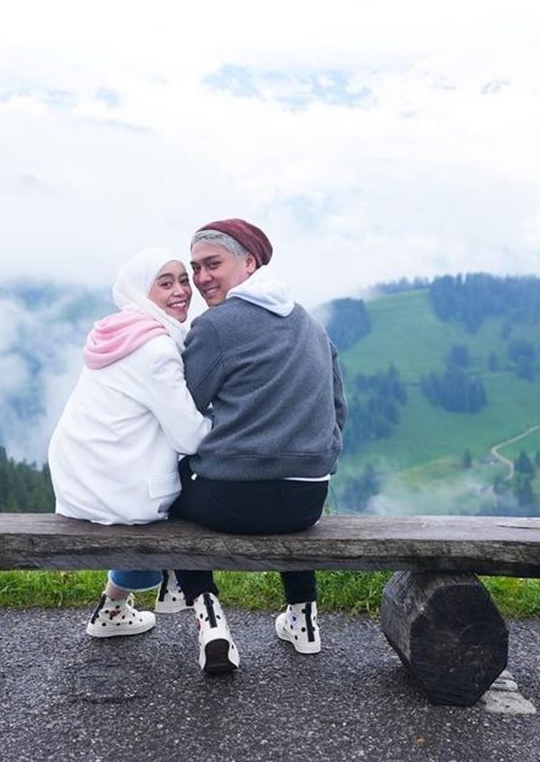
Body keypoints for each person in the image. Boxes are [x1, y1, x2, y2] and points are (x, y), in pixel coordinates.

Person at [171, 218, 346, 673]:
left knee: (168, 497)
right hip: (307, 501)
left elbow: (182, 408)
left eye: (213, 264)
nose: (202, 277)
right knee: (281, 472)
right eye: (195, 268)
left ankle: (209, 619)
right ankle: (303, 618)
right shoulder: (309, 322)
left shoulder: (216, 326)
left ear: (250, 263)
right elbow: (337, 406)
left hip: (231, 502)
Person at [48, 247, 211, 638]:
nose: (181, 291)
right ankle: (181, 586)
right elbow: (190, 436)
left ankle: (114, 608)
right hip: (116, 489)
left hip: (81, 481)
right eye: (165, 282)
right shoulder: (156, 350)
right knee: (203, 486)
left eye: (184, 280)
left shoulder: (118, 331)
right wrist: (234, 426)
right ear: (141, 291)